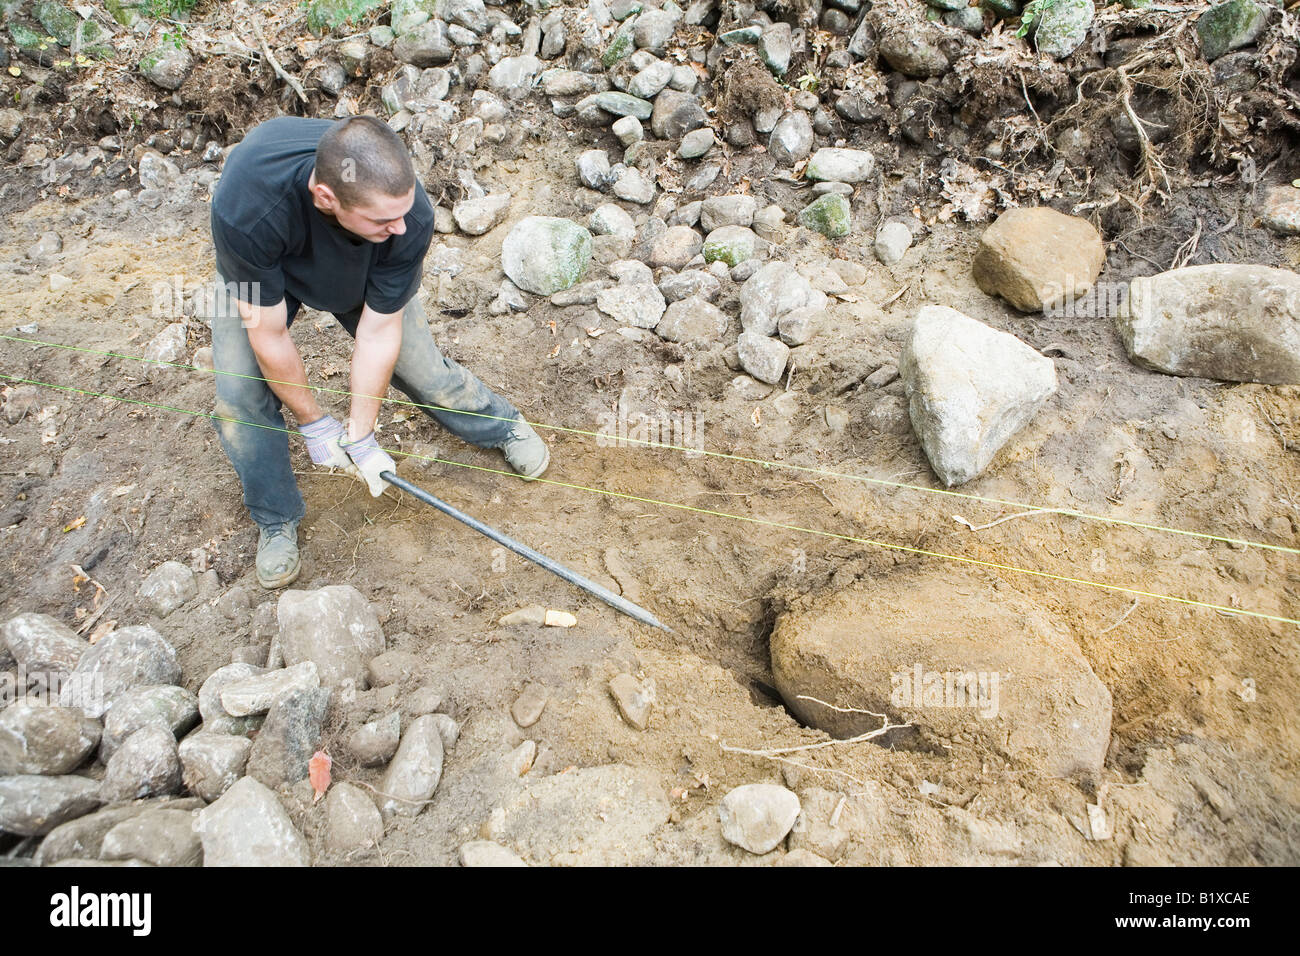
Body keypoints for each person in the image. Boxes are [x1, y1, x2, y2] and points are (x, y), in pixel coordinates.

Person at [203, 115, 549, 590]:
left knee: (421, 367)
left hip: (357, 263)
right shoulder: (246, 207)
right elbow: (269, 335)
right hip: (262, 268)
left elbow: (379, 333)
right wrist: (314, 421)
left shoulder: (406, 217)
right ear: (327, 197)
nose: (402, 225)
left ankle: (502, 424)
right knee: (240, 395)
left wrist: (361, 433)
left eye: (403, 213)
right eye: (386, 219)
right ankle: (275, 518)